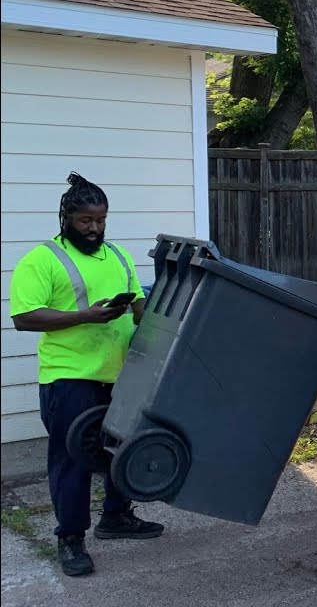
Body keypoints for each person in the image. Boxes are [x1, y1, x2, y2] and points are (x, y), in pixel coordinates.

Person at [9, 173, 163, 577]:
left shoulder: (118, 255)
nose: (94, 228)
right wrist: (85, 316)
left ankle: (116, 517)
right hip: (70, 377)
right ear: (66, 217)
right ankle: (70, 539)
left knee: (120, 450)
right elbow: (24, 318)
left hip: (120, 375)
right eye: (85, 221)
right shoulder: (42, 259)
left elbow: (140, 309)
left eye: (100, 220)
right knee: (72, 459)